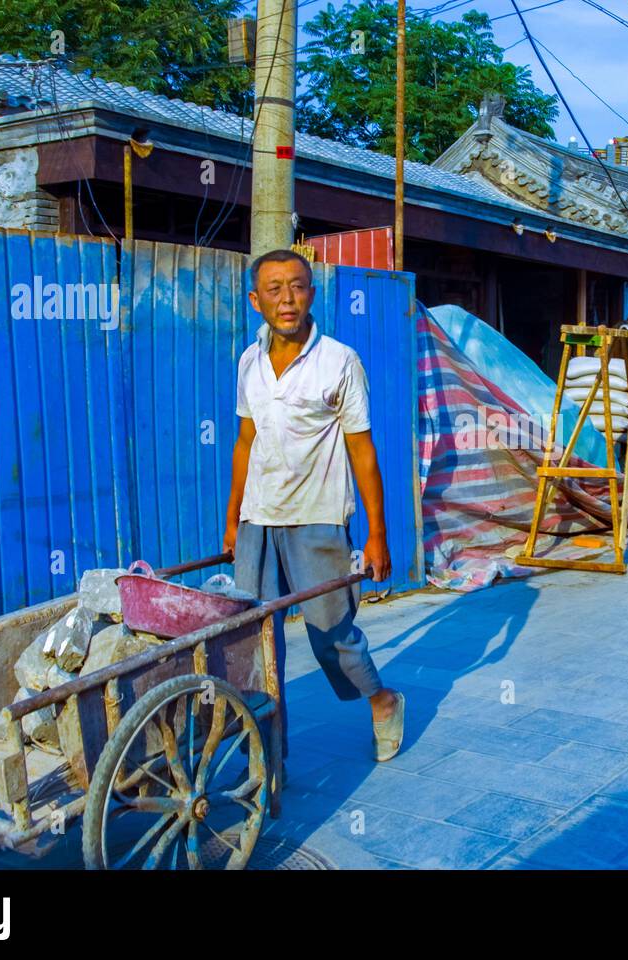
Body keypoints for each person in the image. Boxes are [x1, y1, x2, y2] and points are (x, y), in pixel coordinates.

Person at [224, 249, 405, 765]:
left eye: (298, 286)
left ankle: (382, 700)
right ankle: (268, 752)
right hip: (260, 520)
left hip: (318, 517)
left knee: (330, 635)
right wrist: (234, 518)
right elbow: (244, 440)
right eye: (275, 289)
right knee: (255, 640)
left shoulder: (339, 361)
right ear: (256, 300)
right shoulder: (249, 361)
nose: (288, 299)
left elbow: (362, 450)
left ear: (313, 294)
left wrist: (377, 534)